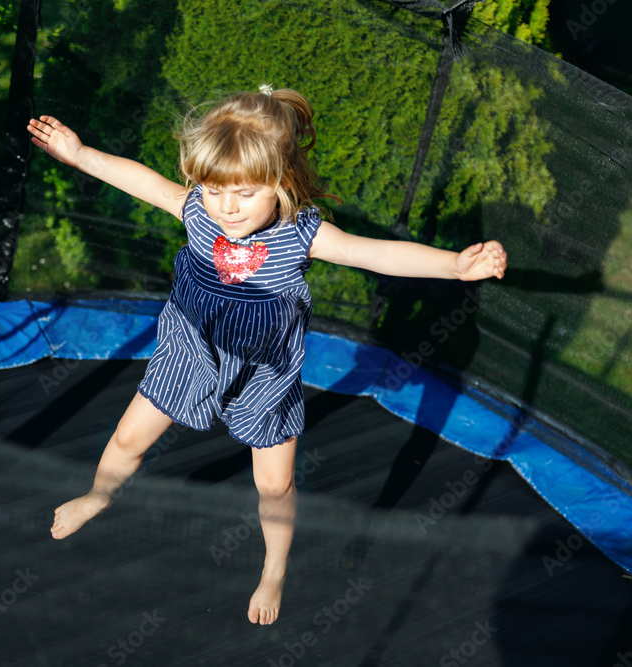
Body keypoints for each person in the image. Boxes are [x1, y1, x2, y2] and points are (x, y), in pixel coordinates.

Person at [26, 87, 507, 626]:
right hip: (191, 353)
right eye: (211, 190)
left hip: (264, 375)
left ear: (280, 182)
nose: (226, 208)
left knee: (274, 484)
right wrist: (79, 153)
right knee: (127, 439)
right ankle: (99, 495)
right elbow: (140, 179)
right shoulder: (198, 211)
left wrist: (453, 267)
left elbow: (374, 253)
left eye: (246, 193)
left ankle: (274, 567)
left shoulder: (303, 235)